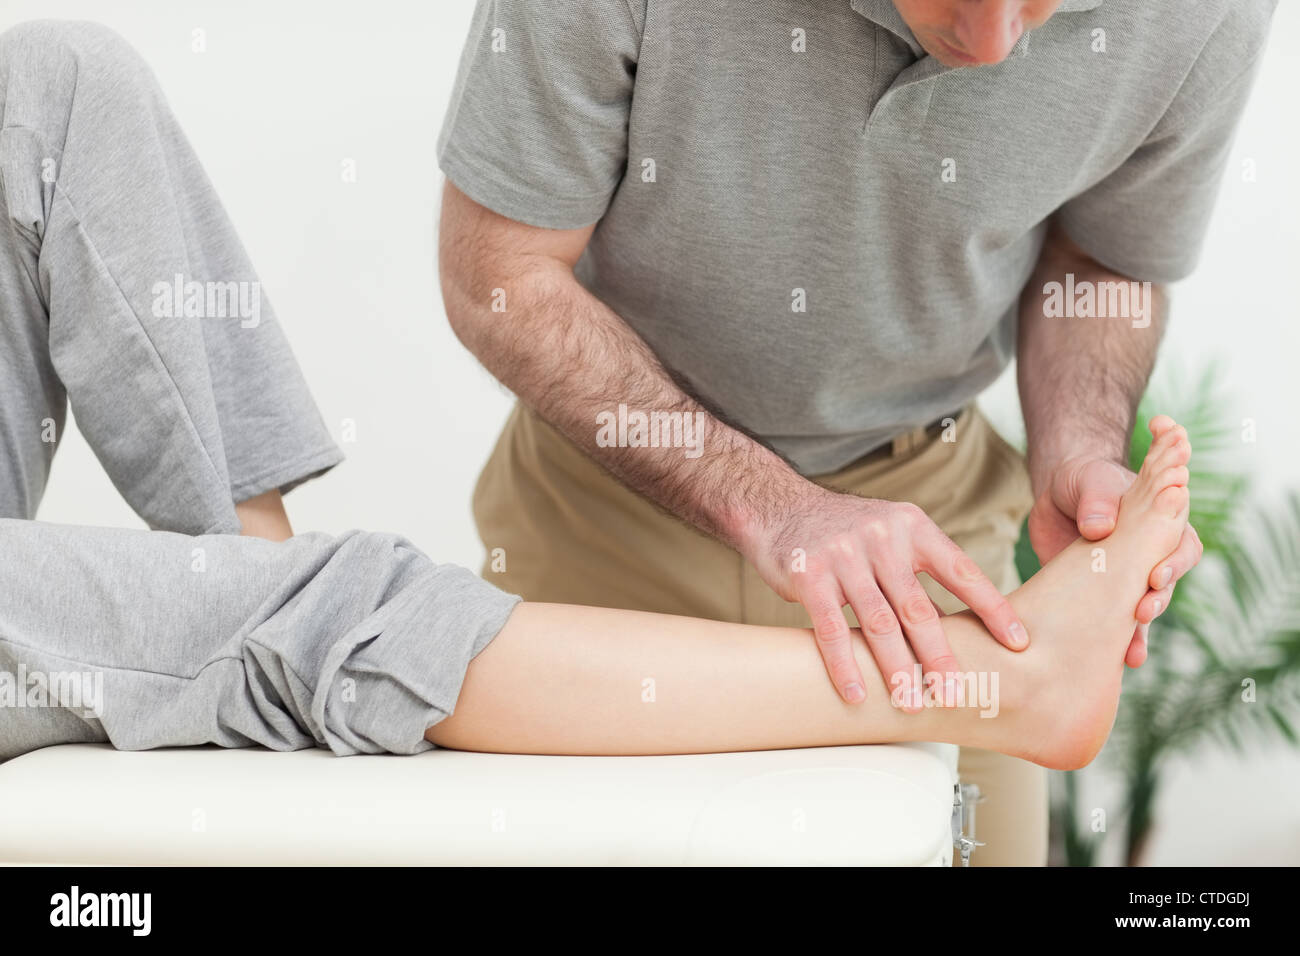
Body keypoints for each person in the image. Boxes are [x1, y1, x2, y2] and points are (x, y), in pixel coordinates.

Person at [435, 0, 1271, 862]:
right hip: (603, 515)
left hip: (935, 538)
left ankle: (1032, 684)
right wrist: (772, 506)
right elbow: (499, 274)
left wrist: (1081, 449)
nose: (992, 50)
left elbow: (1102, 259)